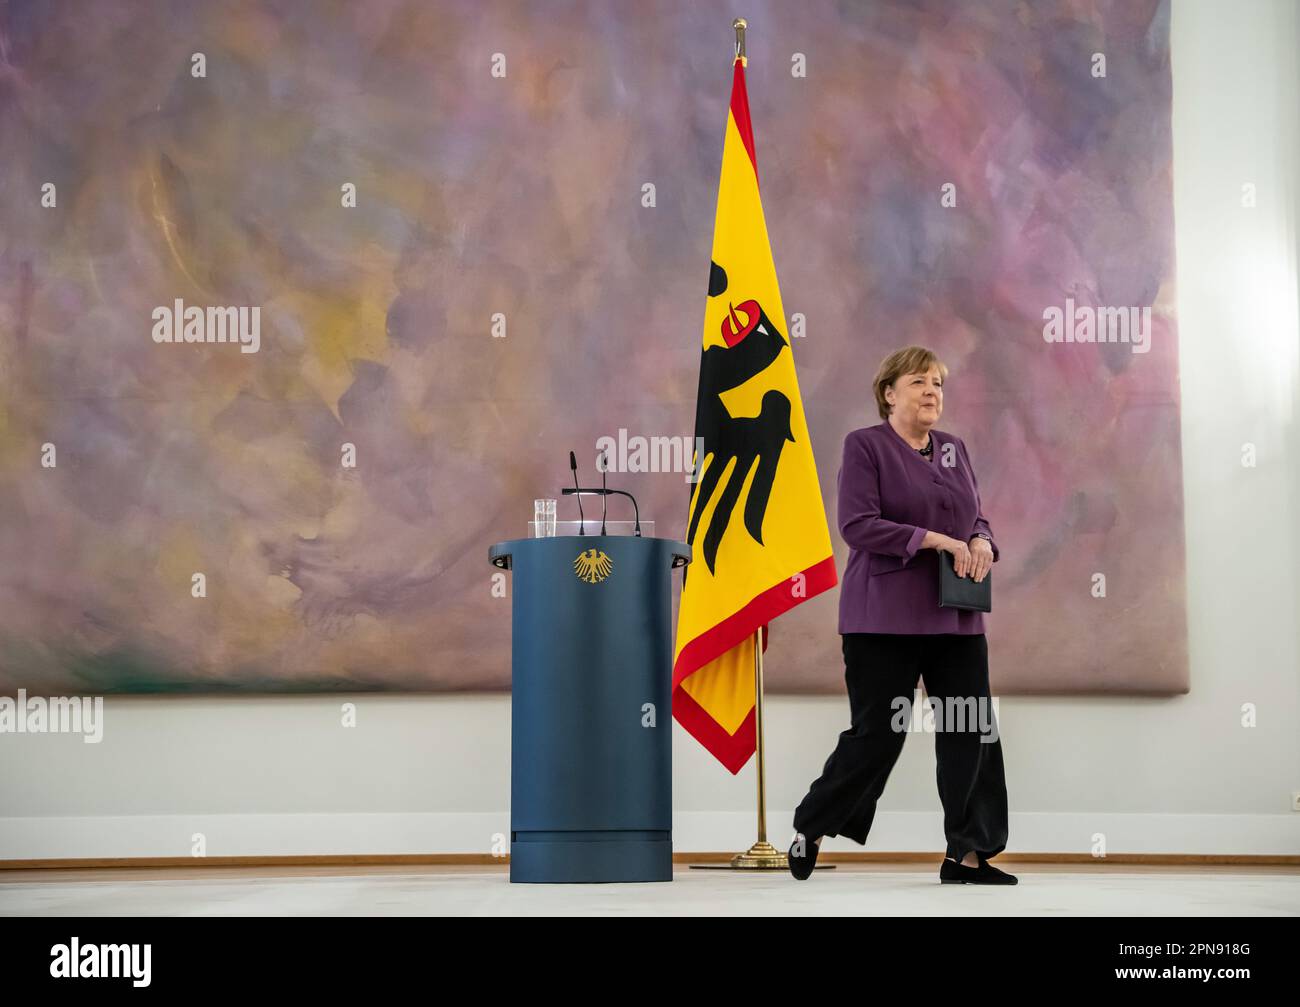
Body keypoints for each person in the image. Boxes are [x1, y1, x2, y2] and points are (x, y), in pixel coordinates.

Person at [788, 345, 1016, 885]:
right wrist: (933, 538)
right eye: (919, 381)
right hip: (881, 618)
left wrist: (981, 539)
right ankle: (811, 826)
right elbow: (857, 525)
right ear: (889, 393)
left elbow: (976, 514)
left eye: (938, 382)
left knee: (972, 727)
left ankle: (966, 855)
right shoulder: (865, 445)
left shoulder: (955, 449)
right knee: (879, 734)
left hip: (955, 616)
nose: (932, 390)